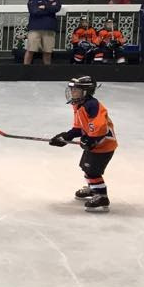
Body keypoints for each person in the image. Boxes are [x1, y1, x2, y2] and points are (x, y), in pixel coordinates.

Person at [49, 76, 117, 212]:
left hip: (103, 146)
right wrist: (66, 137)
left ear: (86, 92)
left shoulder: (92, 105)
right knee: (86, 167)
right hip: (95, 144)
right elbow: (79, 127)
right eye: (72, 89)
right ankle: (93, 189)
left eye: (76, 90)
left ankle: (101, 196)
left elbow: (100, 128)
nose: (72, 92)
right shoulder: (78, 105)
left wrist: (92, 140)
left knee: (93, 172)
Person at [24, 0, 62, 66]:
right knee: (30, 50)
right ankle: (25, 70)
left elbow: (57, 8)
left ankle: (47, 72)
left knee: (48, 52)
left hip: (49, 28)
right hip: (35, 28)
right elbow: (33, 10)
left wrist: (44, 7)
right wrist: (49, 8)